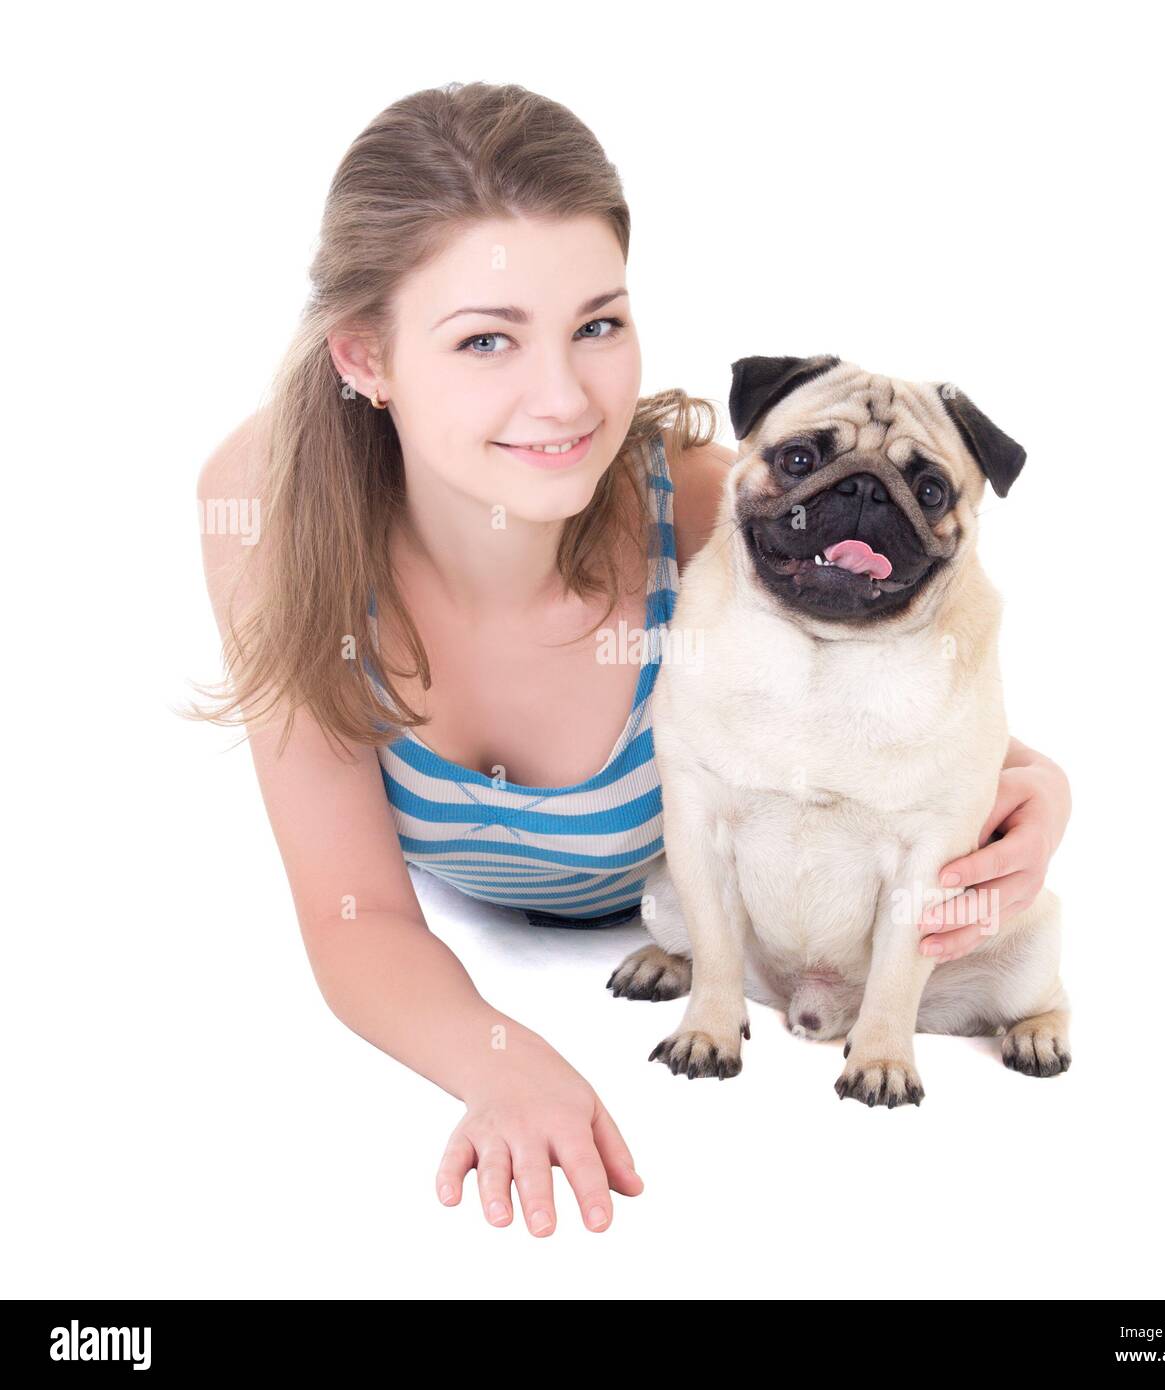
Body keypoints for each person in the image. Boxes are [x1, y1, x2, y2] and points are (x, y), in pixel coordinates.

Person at [190, 82, 1073, 1238]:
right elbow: (352, 911)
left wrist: (1041, 791)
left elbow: (909, 738)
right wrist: (503, 1060)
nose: (562, 397)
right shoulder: (270, 506)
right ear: (365, 356)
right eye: (485, 339)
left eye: (596, 323)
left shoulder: (716, 516)